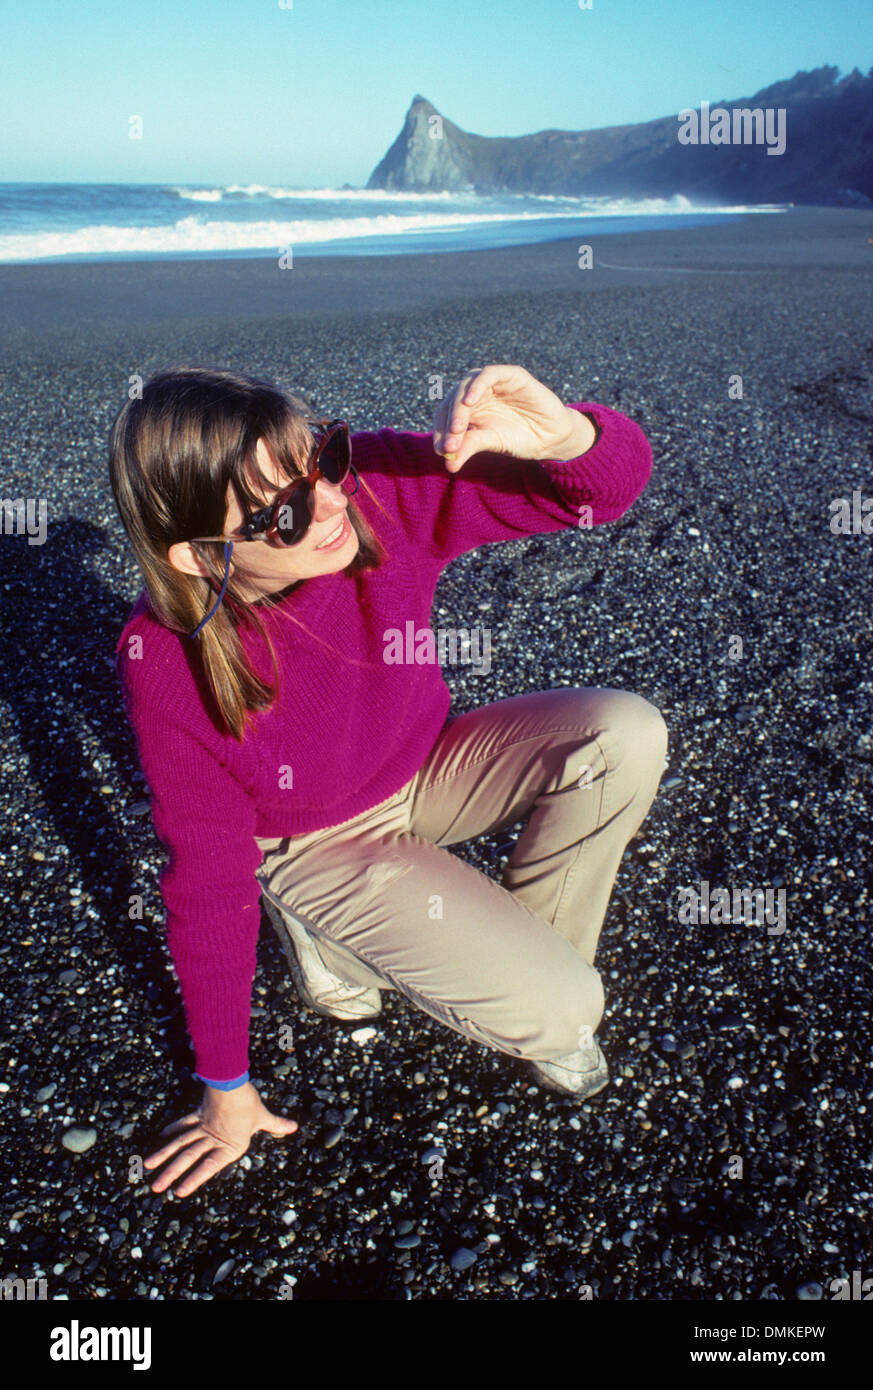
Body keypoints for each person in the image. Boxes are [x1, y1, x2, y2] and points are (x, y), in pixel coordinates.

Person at [108, 362, 668, 1197]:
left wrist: (565, 437)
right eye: (283, 513)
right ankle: (332, 937)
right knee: (565, 1010)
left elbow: (596, 497)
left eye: (321, 459)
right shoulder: (165, 662)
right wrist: (226, 1086)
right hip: (310, 841)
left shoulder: (373, 492)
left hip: (423, 764)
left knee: (622, 733)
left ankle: (531, 967)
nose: (332, 503)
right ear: (197, 554)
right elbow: (206, 881)